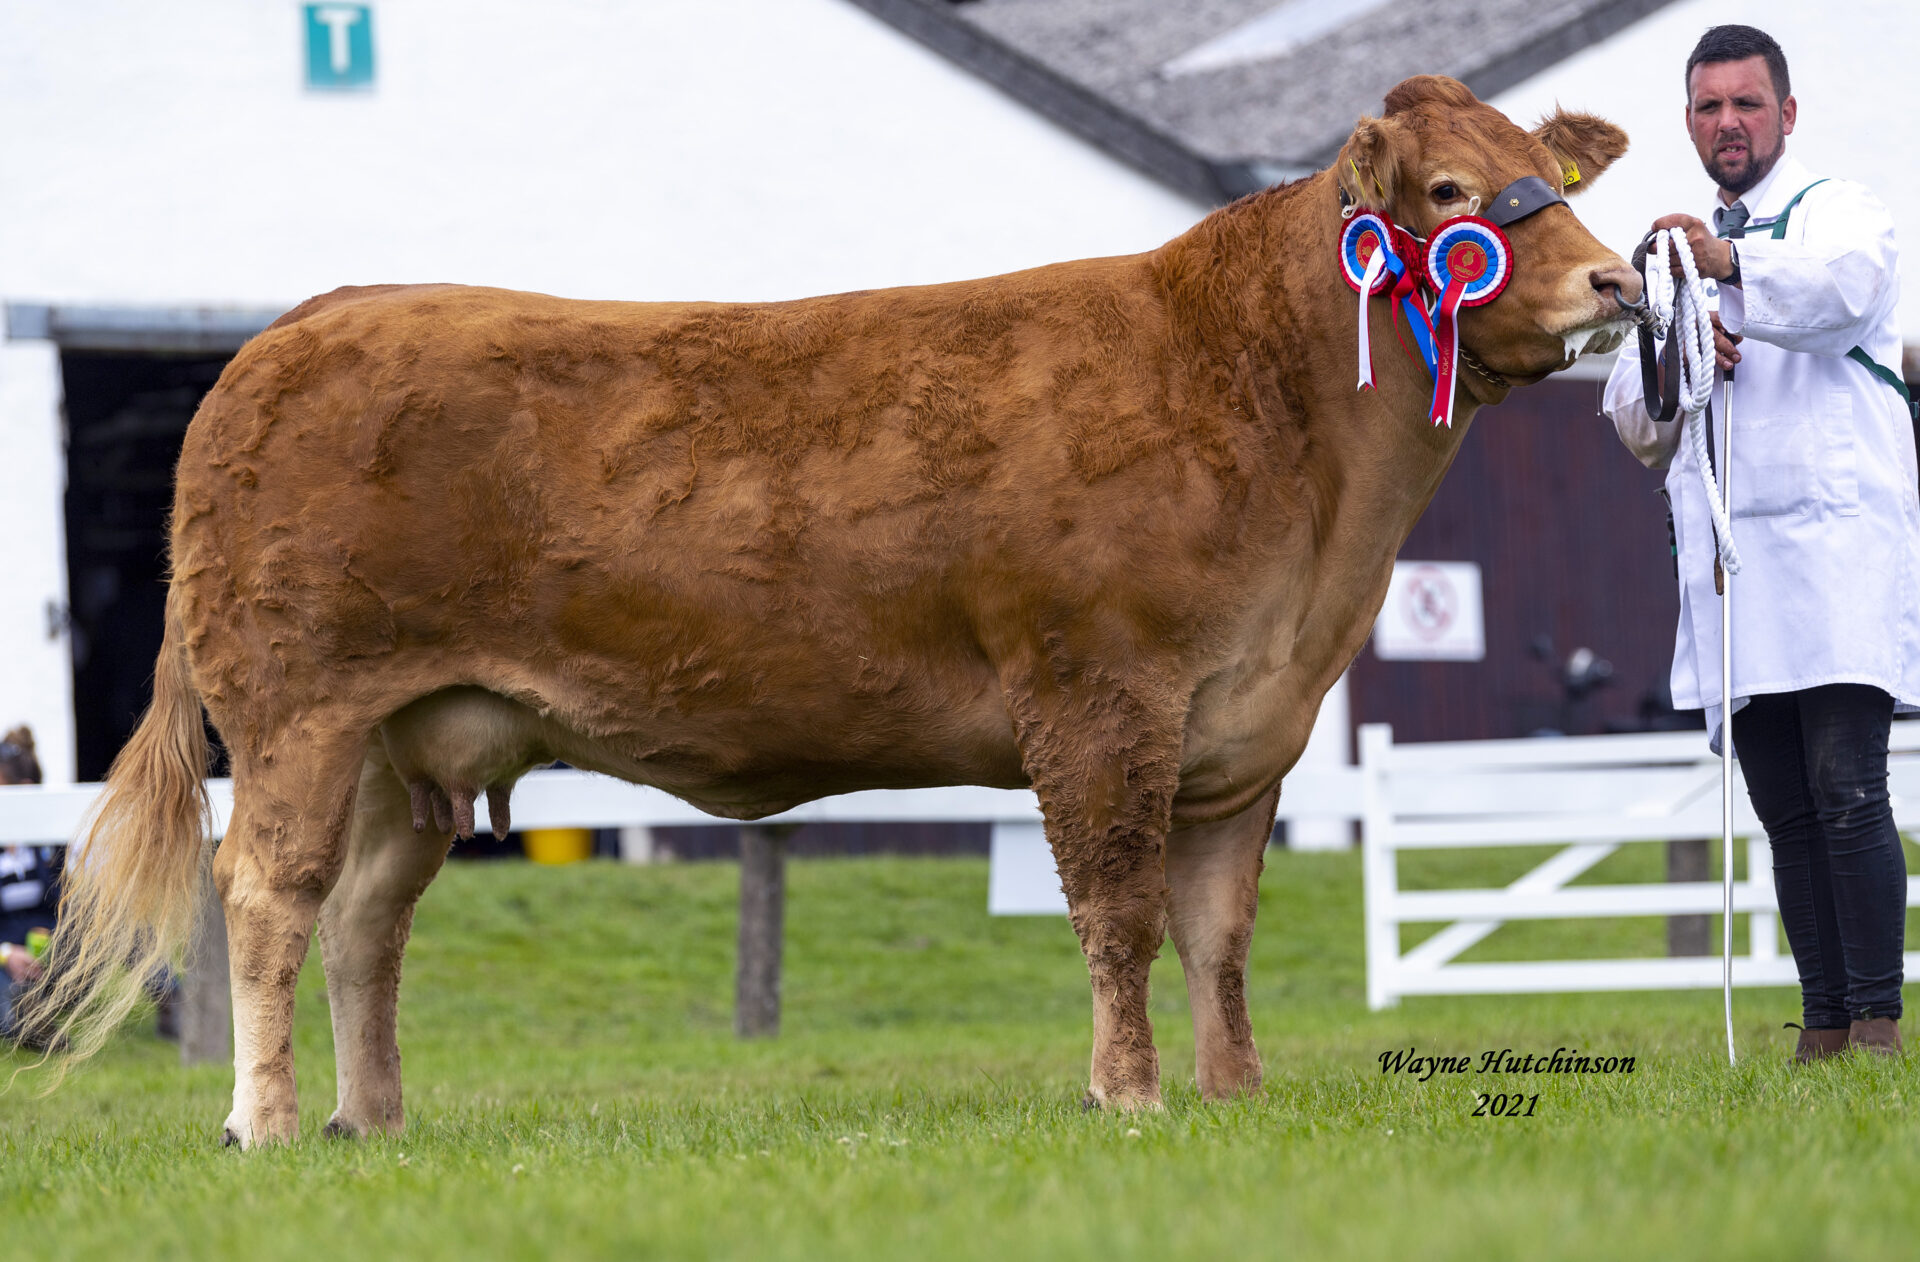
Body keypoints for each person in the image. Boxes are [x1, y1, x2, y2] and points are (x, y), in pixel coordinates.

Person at [1606, 25, 1919, 1061]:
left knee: (1848, 788)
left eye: (1747, 104)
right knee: (1785, 805)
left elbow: (1844, 292)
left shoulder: (1839, 207)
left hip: (1834, 555)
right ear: (1689, 122)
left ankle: (1877, 1022)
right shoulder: (1668, 258)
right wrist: (1680, 333)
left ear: (1786, 114)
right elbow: (1637, 423)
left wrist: (1729, 265)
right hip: (1739, 574)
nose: (1728, 123)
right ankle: (1822, 1024)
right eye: (1709, 107)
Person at [0, 727, 58, 1040]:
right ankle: (30, 1025)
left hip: (48, 948)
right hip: (4, 955)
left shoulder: (49, 842)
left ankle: (171, 1000)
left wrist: (51, 935)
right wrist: (7, 953)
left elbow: (66, 901)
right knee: (7, 1018)